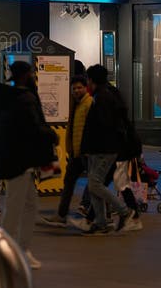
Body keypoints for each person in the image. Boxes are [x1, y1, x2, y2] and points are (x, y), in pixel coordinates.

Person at [0, 61, 55, 268]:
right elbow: (32, 127)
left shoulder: (7, 97)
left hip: (16, 159)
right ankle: (8, 251)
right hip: (20, 161)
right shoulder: (23, 99)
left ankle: (21, 249)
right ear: (26, 75)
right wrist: (51, 136)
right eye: (32, 73)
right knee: (16, 207)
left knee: (28, 205)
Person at [76, 64, 136, 235]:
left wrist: (91, 146)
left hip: (104, 149)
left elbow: (102, 126)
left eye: (88, 79)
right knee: (95, 184)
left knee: (95, 184)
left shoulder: (102, 98)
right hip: (101, 148)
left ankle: (125, 211)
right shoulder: (103, 95)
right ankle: (101, 222)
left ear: (92, 80)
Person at [39, 75, 93, 227]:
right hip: (76, 153)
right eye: (74, 88)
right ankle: (62, 214)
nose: (76, 90)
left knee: (94, 183)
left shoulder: (89, 104)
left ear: (86, 88)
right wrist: (69, 148)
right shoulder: (75, 104)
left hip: (86, 152)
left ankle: (94, 213)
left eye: (79, 87)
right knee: (68, 182)